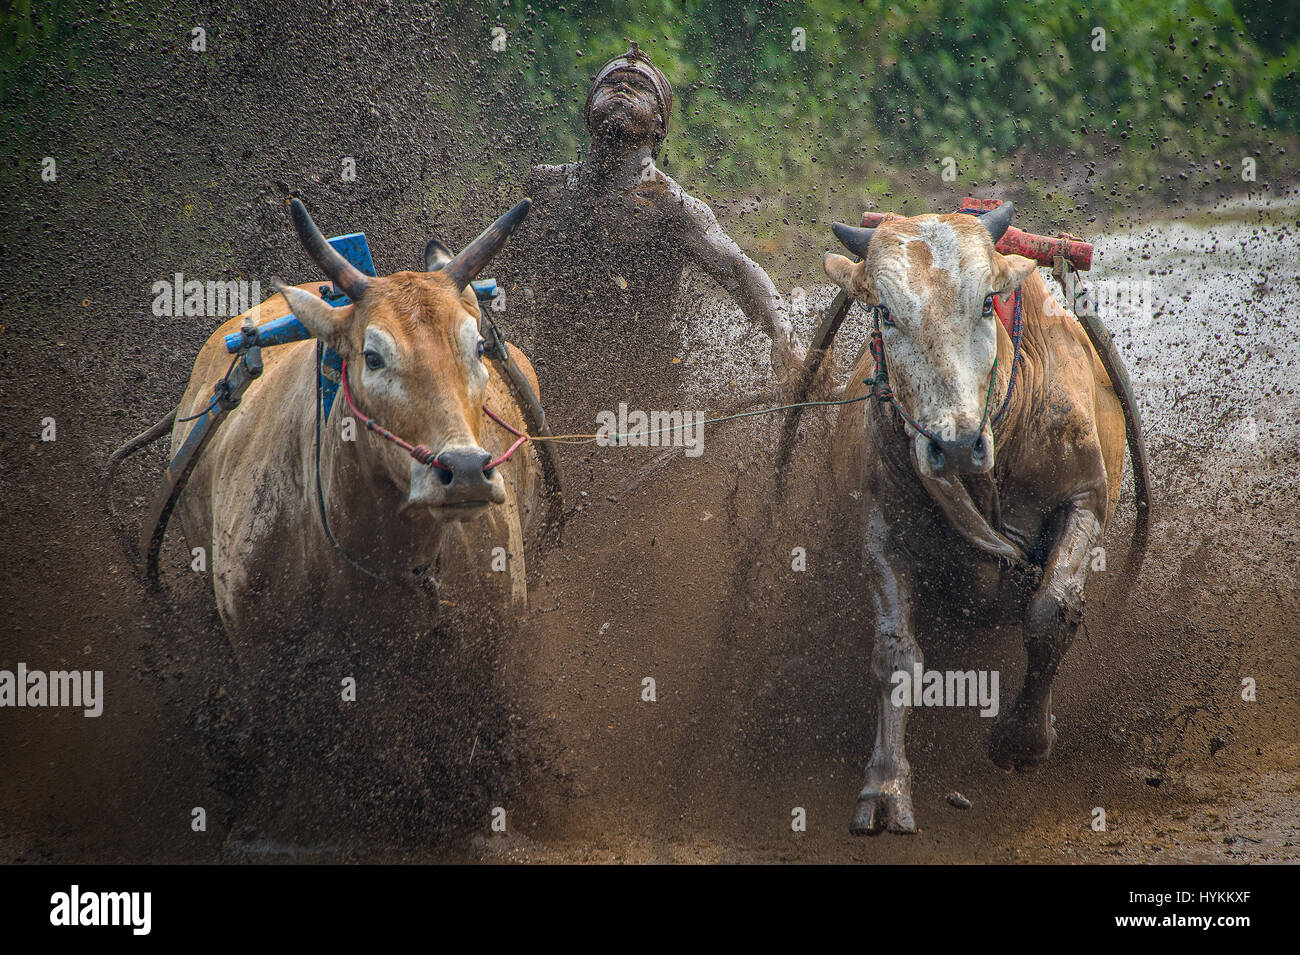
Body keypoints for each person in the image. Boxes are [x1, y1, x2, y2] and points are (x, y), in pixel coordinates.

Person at [492, 42, 807, 423]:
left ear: (659, 125)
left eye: (639, 87)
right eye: (610, 84)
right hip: (544, 382)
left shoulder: (672, 206)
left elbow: (738, 270)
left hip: (638, 401)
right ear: (589, 113)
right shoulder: (547, 187)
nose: (622, 89)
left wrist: (783, 336)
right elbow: (498, 274)